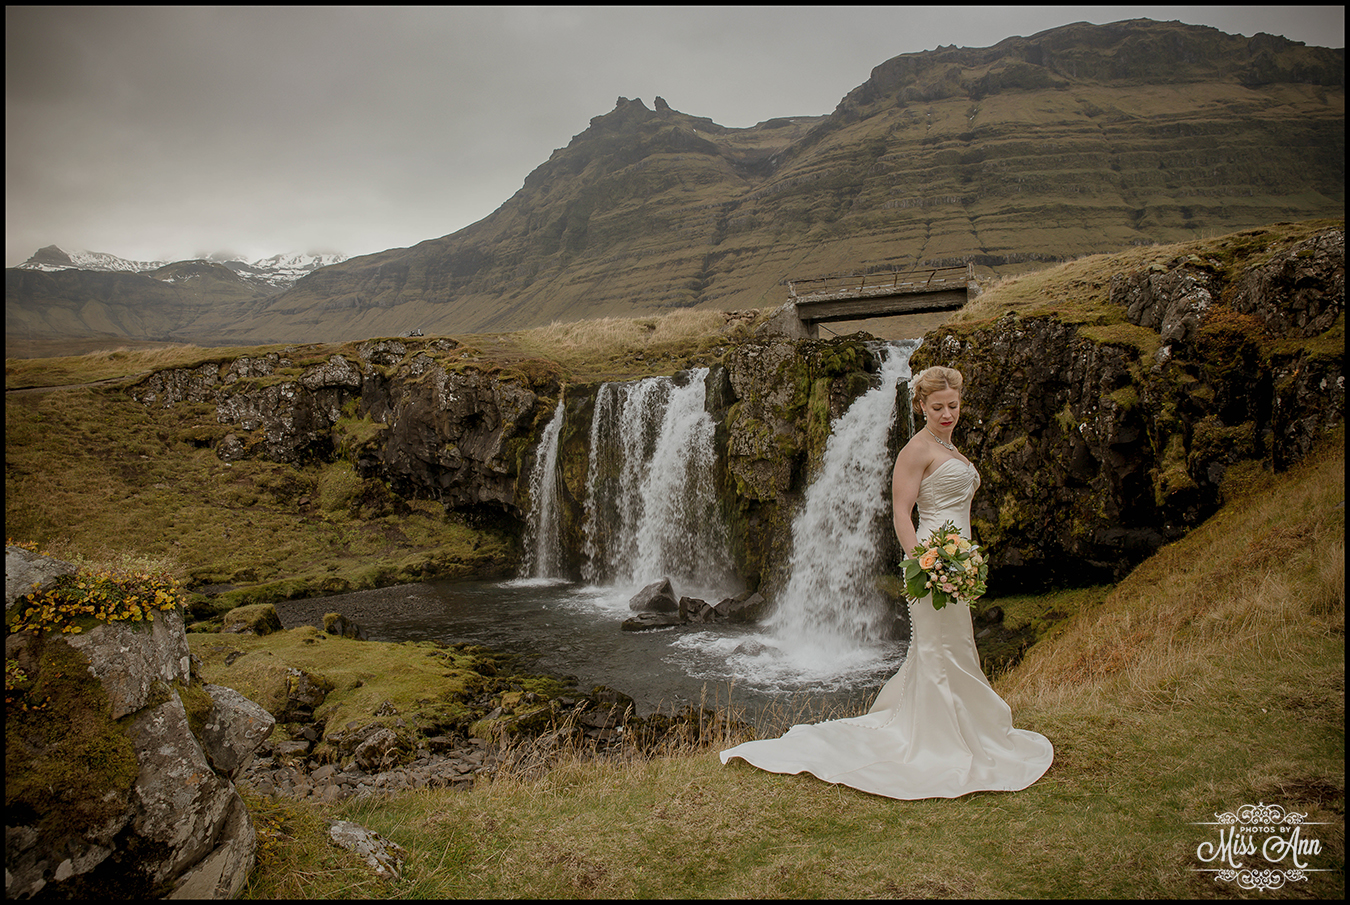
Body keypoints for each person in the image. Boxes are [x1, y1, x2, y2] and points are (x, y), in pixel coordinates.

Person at [720, 365, 1053, 799]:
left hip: (958, 562)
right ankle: (937, 743)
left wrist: (963, 560)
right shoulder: (916, 449)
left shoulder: (949, 447)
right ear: (921, 406)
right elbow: (901, 513)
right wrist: (925, 564)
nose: (947, 414)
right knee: (936, 649)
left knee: (956, 645)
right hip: (932, 563)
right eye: (938, 407)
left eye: (953, 406)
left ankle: (968, 728)